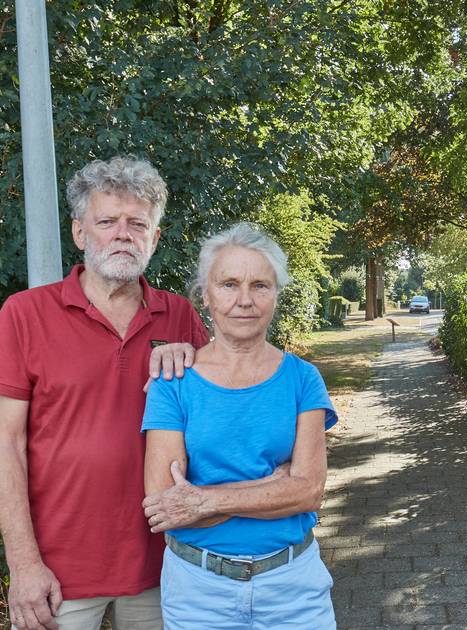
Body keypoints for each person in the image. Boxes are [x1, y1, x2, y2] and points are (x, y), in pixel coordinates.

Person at [0, 156, 217, 629]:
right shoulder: (24, 315)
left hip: (164, 563)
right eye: (107, 221)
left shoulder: (181, 317)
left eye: (137, 224)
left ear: (154, 238)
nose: (123, 234)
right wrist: (23, 565)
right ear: (80, 233)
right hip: (59, 573)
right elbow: (3, 447)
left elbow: (218, 421)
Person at [141, 222, 338, 629]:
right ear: (206, 294)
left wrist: (204, 500)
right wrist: (272, 486)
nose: (244, 300)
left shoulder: (302, 379)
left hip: (293, 587)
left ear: (276, 295)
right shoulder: (173, 382)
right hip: (197, 590)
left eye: (260, 285)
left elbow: (308, 492)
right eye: (229, 284)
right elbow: (165, 504)